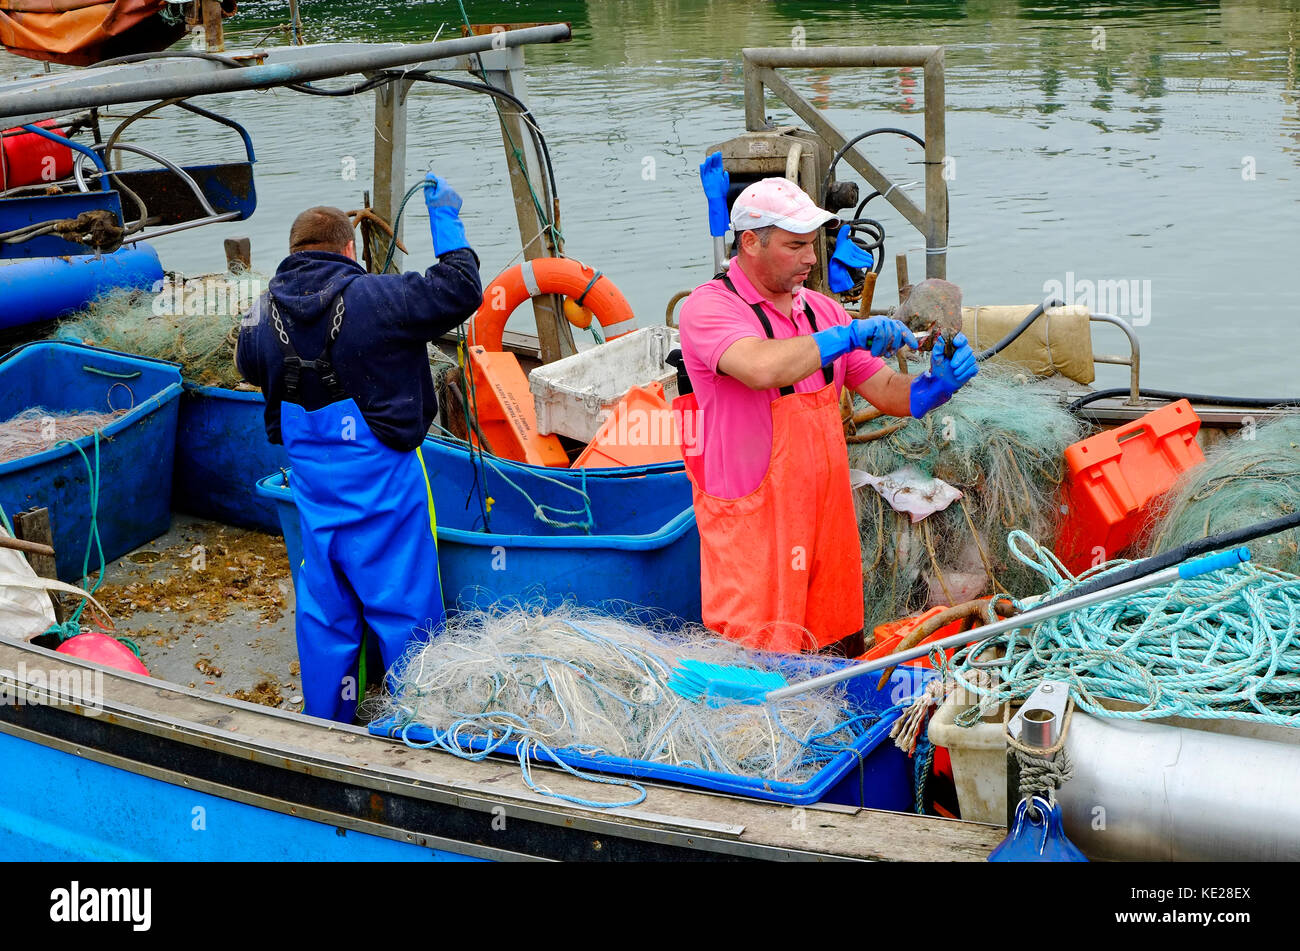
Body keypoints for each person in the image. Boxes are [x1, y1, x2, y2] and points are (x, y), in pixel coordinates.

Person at [678, 176, 977, 657]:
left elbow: (887, 393)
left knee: (834, 648)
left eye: (812, 244)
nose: (812, 258)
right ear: (750, 243)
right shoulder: (709, 308)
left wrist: (937, 385)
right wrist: (847, 337)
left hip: (824, 520)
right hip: (754, 527)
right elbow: (759, 366)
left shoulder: (822, 311)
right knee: (756, 661)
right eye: (795, 246)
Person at [236, 174, 482, 722]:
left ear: (293, 252)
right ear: (350, 249)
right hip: (382, 481)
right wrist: (447, 221)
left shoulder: (257, 312)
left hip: (313, 486)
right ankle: (423, 723)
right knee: (402, 600)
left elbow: (251, 365)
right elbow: (459, 289)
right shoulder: (377, 295)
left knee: (325, 610)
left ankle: (329, 723)